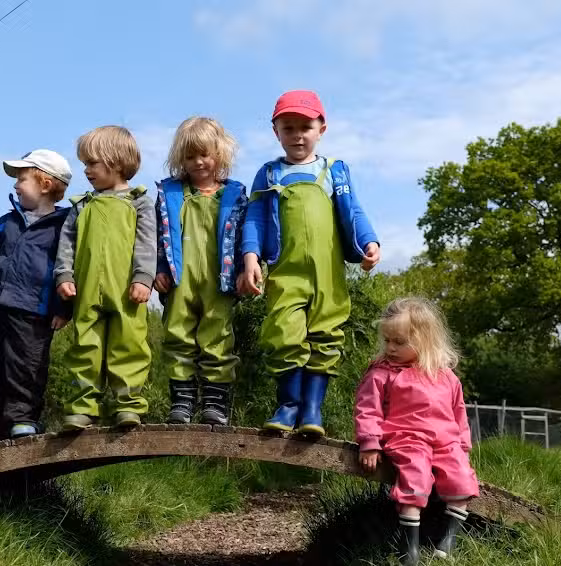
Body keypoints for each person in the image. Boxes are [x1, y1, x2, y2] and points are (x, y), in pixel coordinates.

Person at [238, 90, 380, 437]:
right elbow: (255, 218)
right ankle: (288, 405)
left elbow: (354, 210)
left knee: (326, 334)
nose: (297, 135)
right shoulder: (269, 174)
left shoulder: (334, 170)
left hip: (328, 273)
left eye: (306, 126)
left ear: (322, 129)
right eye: (289, 128)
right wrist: (250, 257)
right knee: (284, 332)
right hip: (286, 273)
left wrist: (370, 242)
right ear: (277, 132)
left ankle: (312, 410)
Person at [354, 298, 479, 565]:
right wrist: (370, 442)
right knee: (415, 476)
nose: (390, 347)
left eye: (399, 342)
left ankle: (448, 541)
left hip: (446, 442)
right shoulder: (382, 373)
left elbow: (459, 413)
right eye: (387, 340)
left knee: (461, 480)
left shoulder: (445, 376)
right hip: (406, 439)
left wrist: (463, 447)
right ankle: (409, 547)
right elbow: (368, 409)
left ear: (425, 340)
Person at [0, 149, 73, 447]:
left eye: (22, 179)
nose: (15, 185)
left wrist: (65, 308)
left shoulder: (63, 227)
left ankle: (22, 419)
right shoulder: (7, 222)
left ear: (45, 183)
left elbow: (67, 269)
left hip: (34, 311)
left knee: (27, 366)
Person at [56, 126, 155, 430]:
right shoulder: (82, 205)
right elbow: (67, 244)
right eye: (85, 163)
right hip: (86, 290)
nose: (86, 170)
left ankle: (128, 405)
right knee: (85, 345)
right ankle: (84, 407)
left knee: (129, 344)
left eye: (92, 163)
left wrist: (143, 277)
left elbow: (147, 243)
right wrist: (64, 274)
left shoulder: (139, 203)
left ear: (116, 162)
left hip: (127, 291)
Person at [155, 117, 248, 425]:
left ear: (219, 154)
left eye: (204, 154)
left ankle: (214, 402)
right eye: (190, 156)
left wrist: (247, 269)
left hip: (219, 281)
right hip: (180, 279)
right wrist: (158, 269)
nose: (198, 162)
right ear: (180, 158)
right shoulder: (170, 194)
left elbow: (246, 237)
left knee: (217, 338)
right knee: (178, 336)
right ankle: (181, 401)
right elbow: (156, 234)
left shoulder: (233, 196)